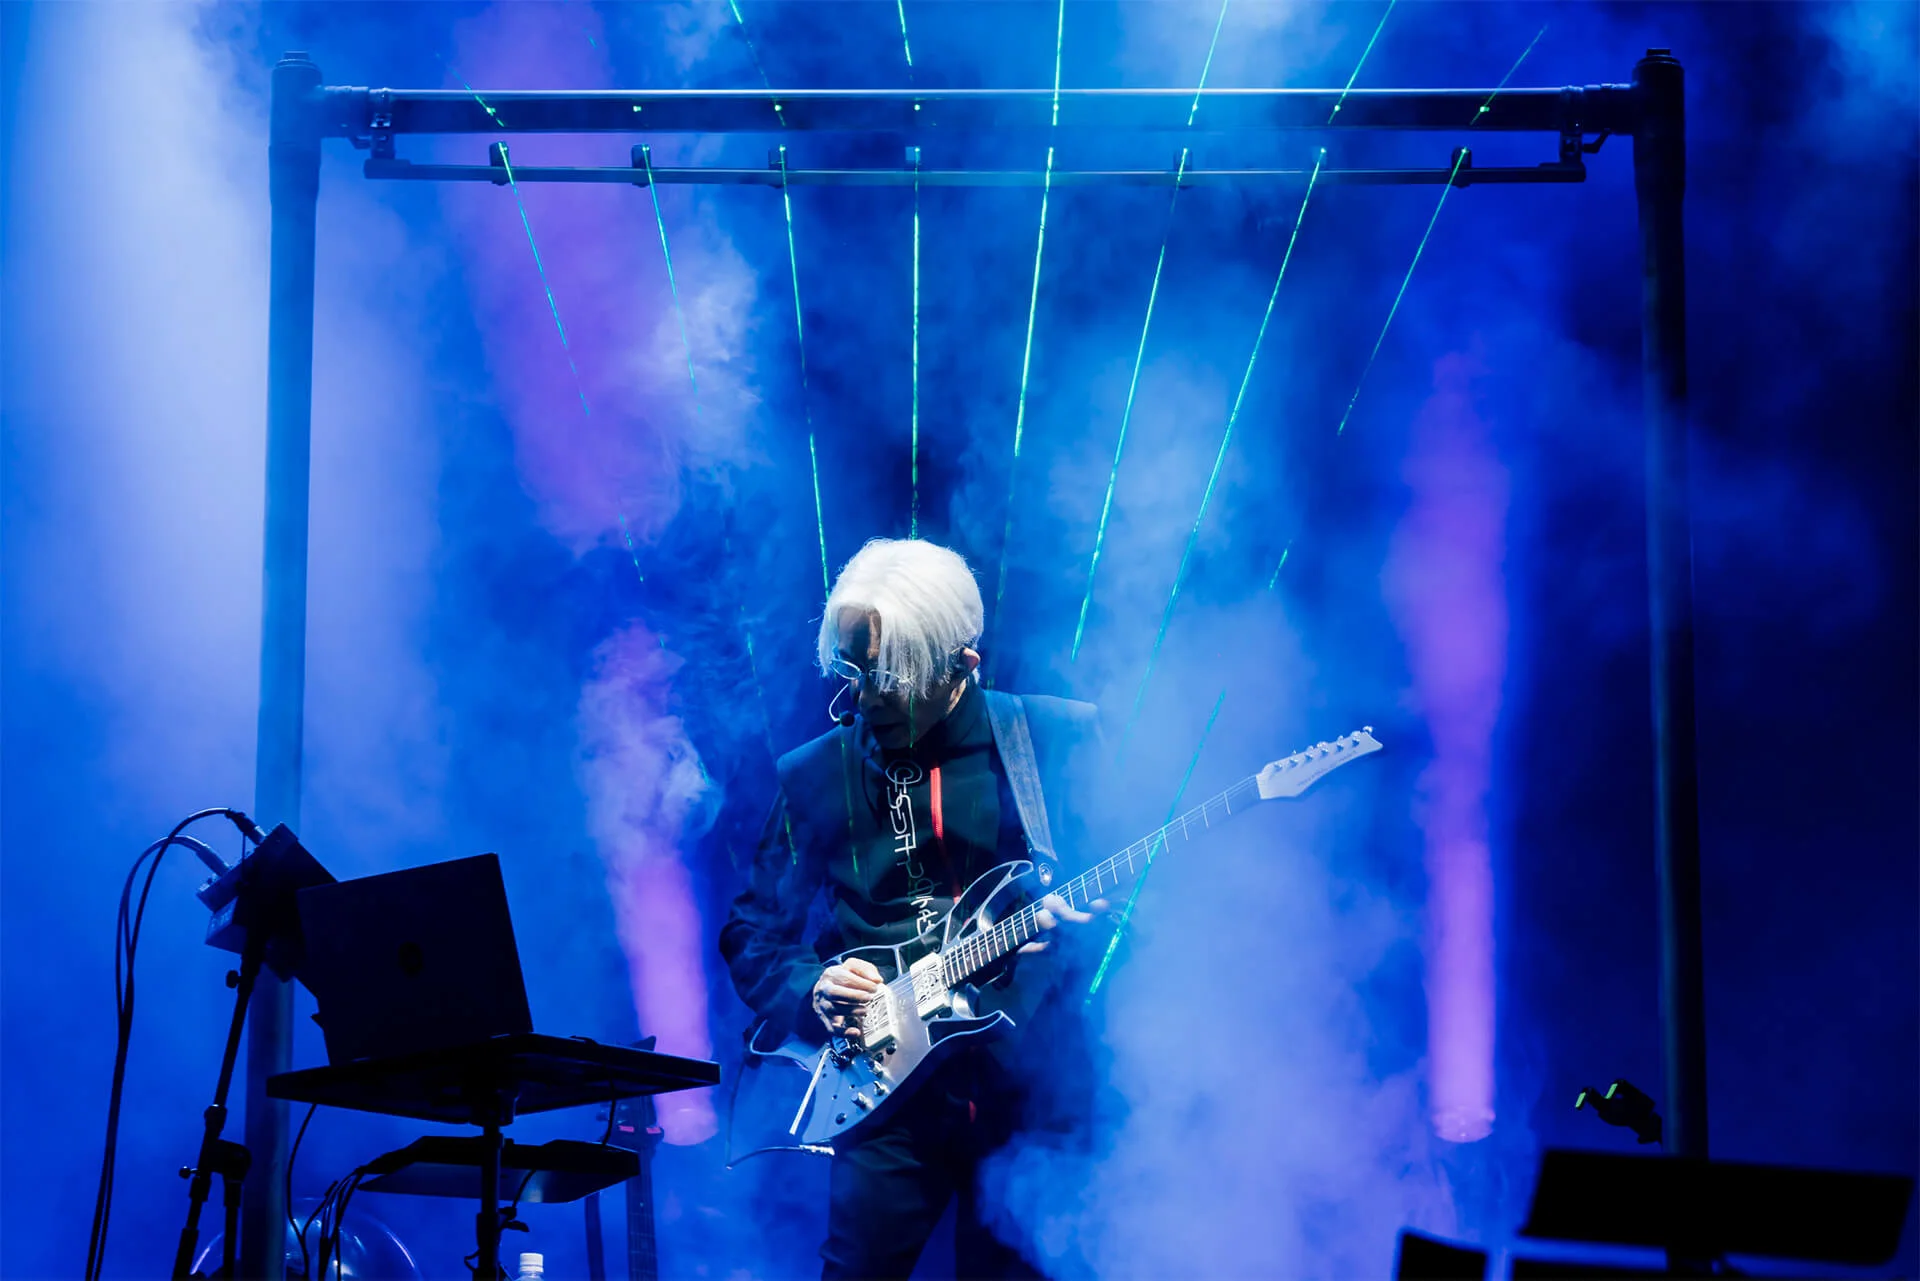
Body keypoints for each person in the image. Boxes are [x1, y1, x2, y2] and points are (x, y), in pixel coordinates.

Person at [720, 538, 1110, 1280]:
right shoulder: (814, 774)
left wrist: (1085, 929)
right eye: (852, 672)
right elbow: (752, 930)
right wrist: (812, 987)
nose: (862, 700)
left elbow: (1134, 892)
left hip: (1029, 1091)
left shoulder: (1054, 737)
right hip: (883, 1097)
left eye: (886, 678)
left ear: (961, 663)